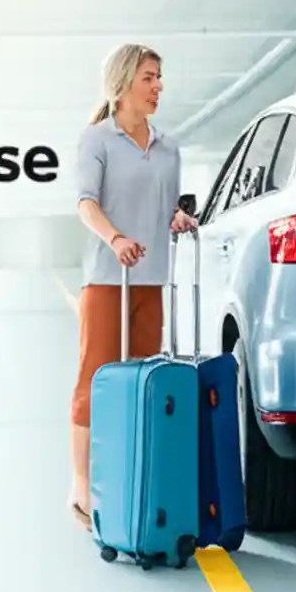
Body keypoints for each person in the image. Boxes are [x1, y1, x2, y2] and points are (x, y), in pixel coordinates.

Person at [69, 43, 197, 530]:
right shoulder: (96, 140)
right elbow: (85, 203)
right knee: (94, 381)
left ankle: (132, 476)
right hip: (107, 278)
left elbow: (165, 207)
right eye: (149, 77)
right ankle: (80, 485)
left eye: (159, 77)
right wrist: (115, 237)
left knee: (144, 379)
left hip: (151, 278)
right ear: (123, 84)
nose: (158, 86)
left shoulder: (169, 147)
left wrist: (178, 218)